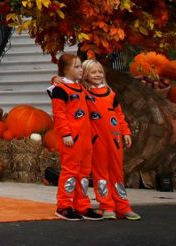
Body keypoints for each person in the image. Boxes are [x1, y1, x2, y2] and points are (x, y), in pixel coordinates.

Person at [83, 59, 141, 221]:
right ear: (85, 75)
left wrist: (126, 132)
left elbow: (119, 115)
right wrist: (56, 79)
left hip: (115, 139)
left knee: (117, 173)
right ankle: (106, 206)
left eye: (100, 72)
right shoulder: (85, 94)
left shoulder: (110, 93)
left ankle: (123, 206)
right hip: (97, 139)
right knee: (101, 173)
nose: (97, 75)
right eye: (93, 72)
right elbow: (64, 87)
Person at [48, 52, 100, 220]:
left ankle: (82, 205)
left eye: (80, 66)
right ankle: (64, 206)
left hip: (86, 139)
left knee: (84, 173)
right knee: (70, 172)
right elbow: (59, 114)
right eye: (76, 67)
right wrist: (65, 133)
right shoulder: (60, 89)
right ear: (65, 69)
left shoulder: (81, 87)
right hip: (71, 139)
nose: (80, 69)